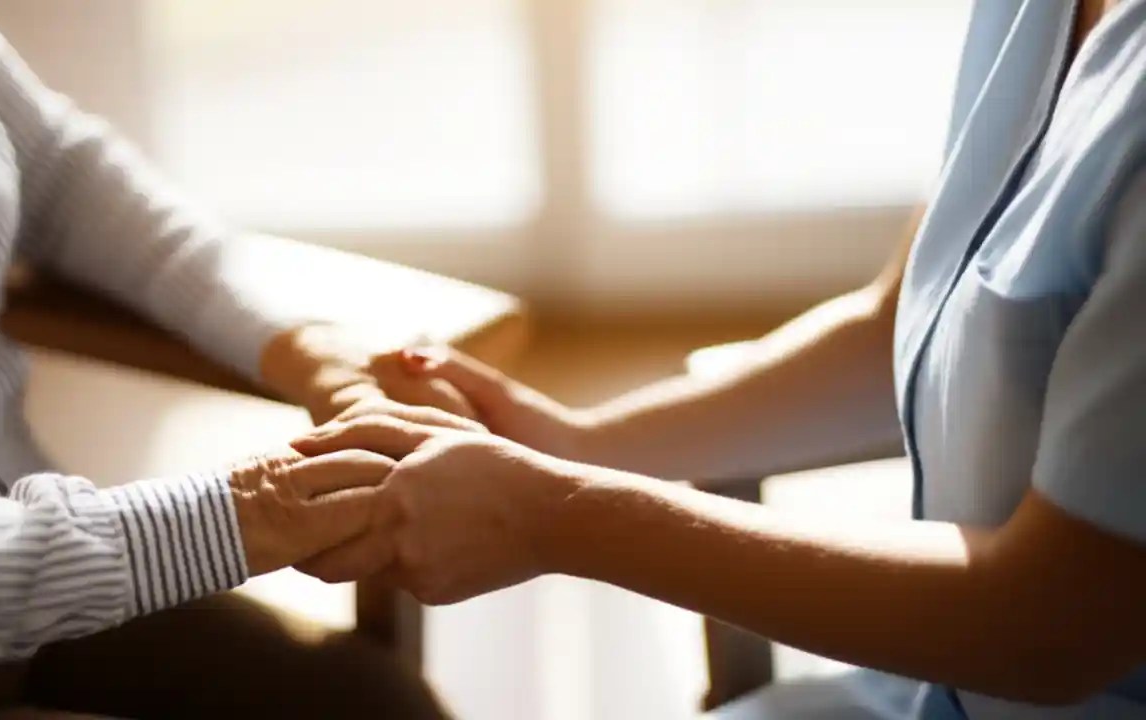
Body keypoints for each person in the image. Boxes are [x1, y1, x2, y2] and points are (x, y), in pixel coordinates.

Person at [292, 0, 1146, 716]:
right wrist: (573, 441)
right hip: (928, 689)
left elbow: (1051, 625)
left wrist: (559, 513)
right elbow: (908, 324)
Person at [0, 0, 467, 717]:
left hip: (35, 570)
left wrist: (304, 346)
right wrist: (241, 515)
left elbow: (56, 169)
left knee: (375, 703)